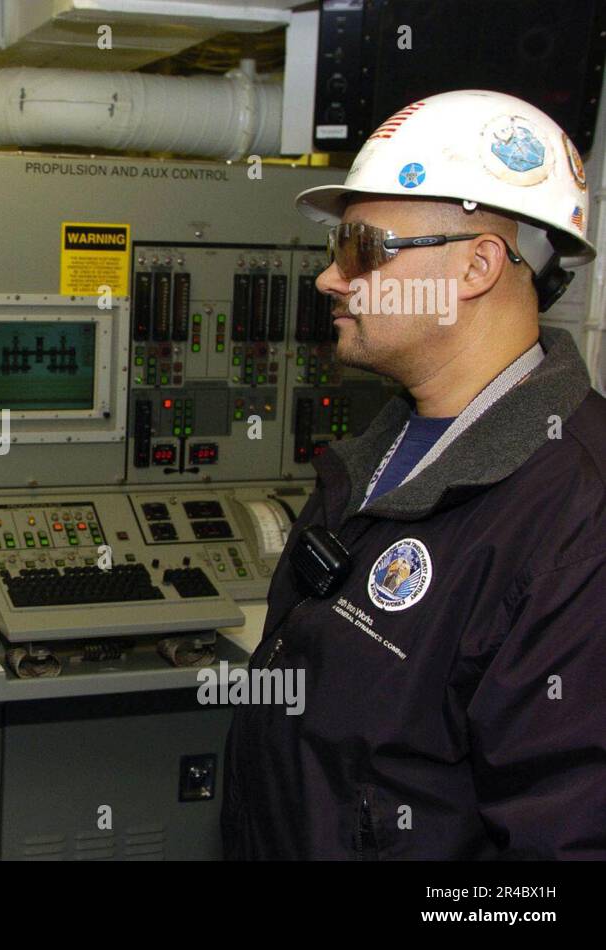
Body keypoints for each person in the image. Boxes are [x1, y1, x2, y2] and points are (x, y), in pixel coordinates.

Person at [222, 89, 606, 858]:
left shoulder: (577, 521)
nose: (331, 278)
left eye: (362, 247)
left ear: (476, 265)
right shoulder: (384, 450)